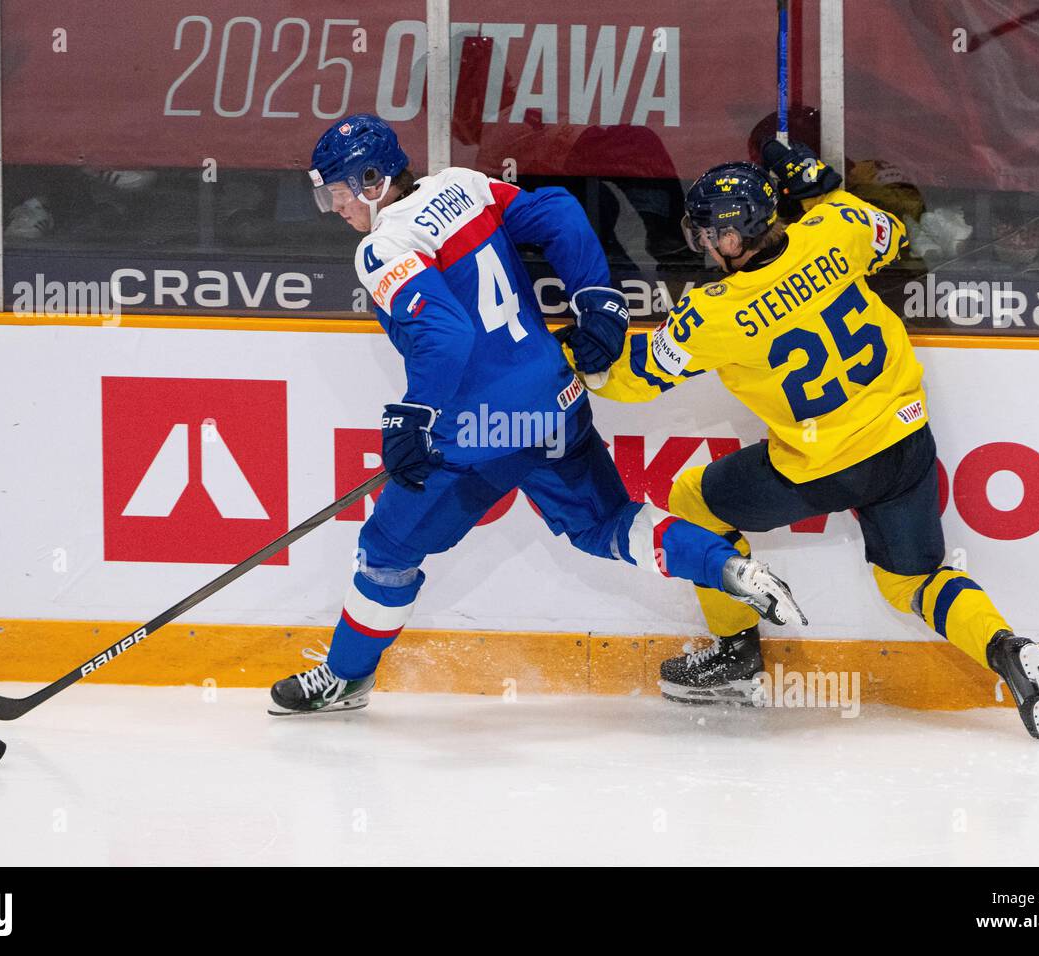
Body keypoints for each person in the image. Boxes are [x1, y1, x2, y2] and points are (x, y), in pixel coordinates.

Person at [268, 114, 805, 716]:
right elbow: (556, 211)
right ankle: (726, 566)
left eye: (339, 189)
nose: (334, 205)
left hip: (479, 433)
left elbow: (443, 335)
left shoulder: (384, 247)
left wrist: (411, 417)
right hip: (557, 400)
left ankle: (345, 678)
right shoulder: (460, 186)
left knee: (387, 549)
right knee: (606, 524)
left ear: (373, 180)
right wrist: (596, 299)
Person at [569, 140, 1039, 741]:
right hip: (906, 445)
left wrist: (577, 355)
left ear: (735, 235)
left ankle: (735, 661)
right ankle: (1007, 647)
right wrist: (823, 190)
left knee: (696, 497)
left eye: (707, 233)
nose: (700, 245)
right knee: (913, 581)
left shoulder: (713, 314)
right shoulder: (833, 228)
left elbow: (635, 382)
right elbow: (890, 232)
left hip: (827, 465)